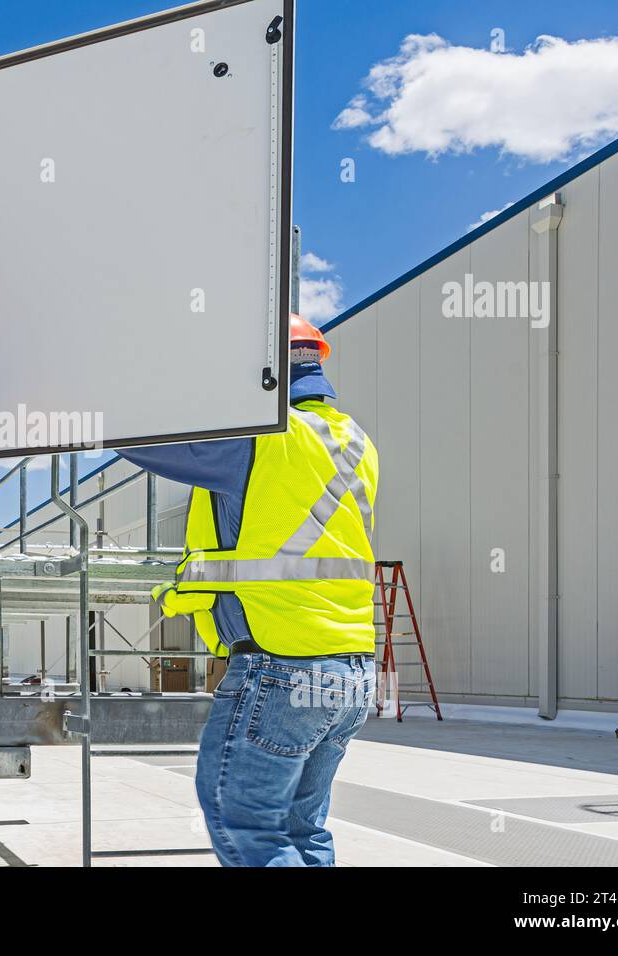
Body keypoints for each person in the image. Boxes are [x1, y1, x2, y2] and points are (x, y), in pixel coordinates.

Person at [117, 315, 378, 867]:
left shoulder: (265, 437)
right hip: (351, 669)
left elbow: (134, 435)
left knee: (249, 830)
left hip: (282, 663)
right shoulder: (353, 440)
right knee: (302, 831)